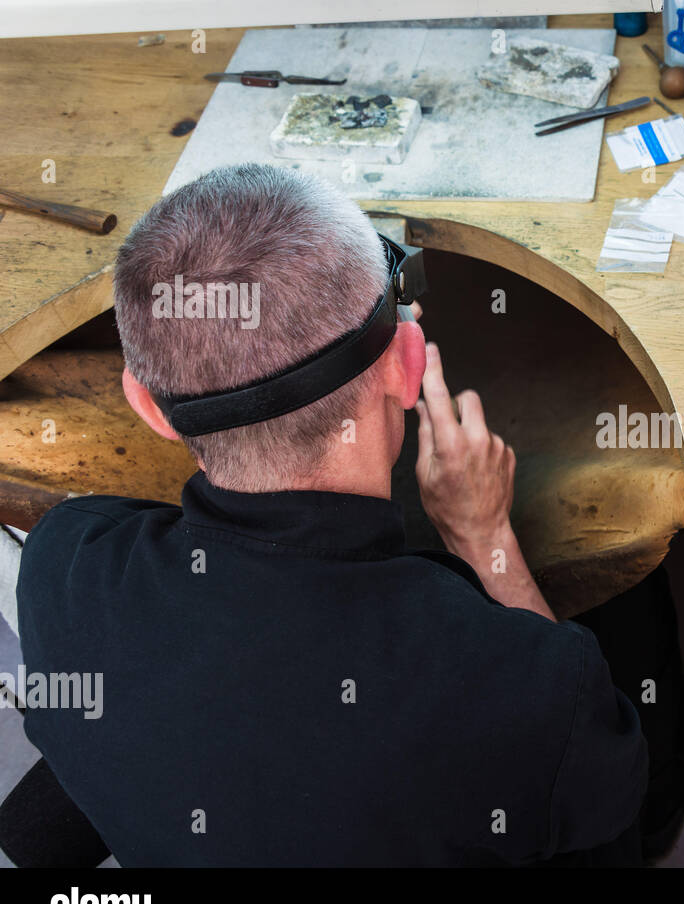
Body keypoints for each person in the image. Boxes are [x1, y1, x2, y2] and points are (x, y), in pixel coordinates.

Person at [16, 164, 648, 866]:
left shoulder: (64, 565)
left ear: (147, 408)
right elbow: (609, 796)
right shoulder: (526, 687)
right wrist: (485, 535)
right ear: (410, 368)